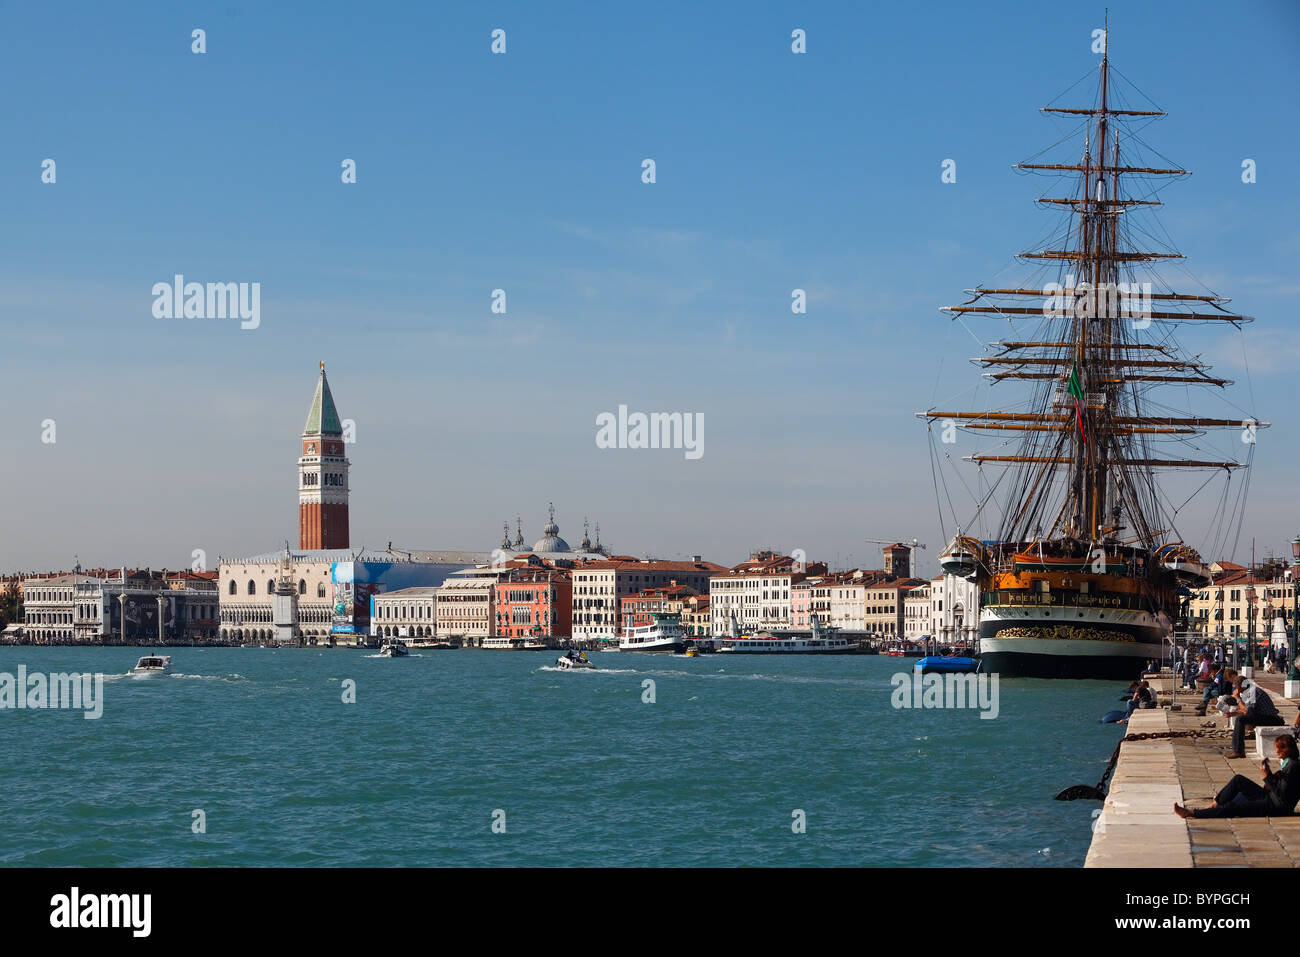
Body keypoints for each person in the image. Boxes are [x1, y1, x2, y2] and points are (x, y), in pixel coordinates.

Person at [1175, 735, 1300, 818]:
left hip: (1276, 807)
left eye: (1278, 749)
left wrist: (1267, 777)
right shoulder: (1288, 763)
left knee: (1233, 808)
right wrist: (1270, 775)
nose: (1276, 751)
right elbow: (1281, 787)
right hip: (1271, 798)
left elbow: (1281, 795)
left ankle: (1193, 813)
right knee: (1238, 780)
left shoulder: (1293, 766)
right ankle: (1215, 804)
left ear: (1285, 750)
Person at [1222, 675, 1283, 759]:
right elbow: (1247, 710)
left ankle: (1238, 751)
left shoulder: (1252, 692)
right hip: (1262, 716)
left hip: (1270, 719)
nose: (1235, 689)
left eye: (1236, 687)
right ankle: (1236, 749)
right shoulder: (1249, 691)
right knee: (1240, 719)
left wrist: (1238, 698)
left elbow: (1247, 712)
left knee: (1240, 720)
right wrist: (1232, 714)